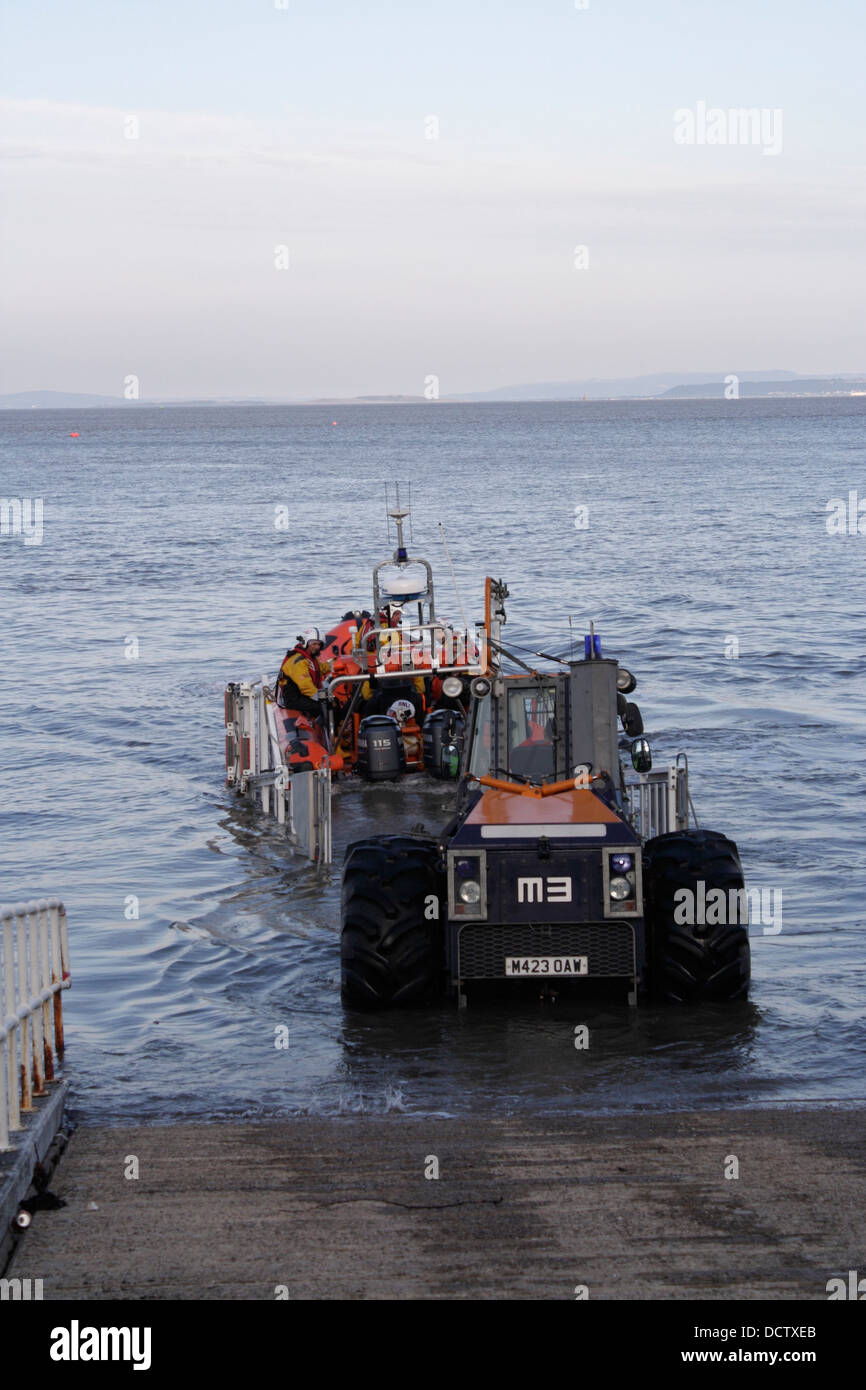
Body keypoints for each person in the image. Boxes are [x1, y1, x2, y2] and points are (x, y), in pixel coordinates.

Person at [276, 627, 332, 719]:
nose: (317, 647)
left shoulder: (310, 658)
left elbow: (321, 668)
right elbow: (305, 686)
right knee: (322, 707)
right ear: (306, 643)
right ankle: (327, 729)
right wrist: (321, 698)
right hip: (294, 698)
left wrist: (335, 663)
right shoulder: (299, 661)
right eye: (314, 644)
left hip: (302, 695)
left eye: (319, 644)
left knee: (329, 703)